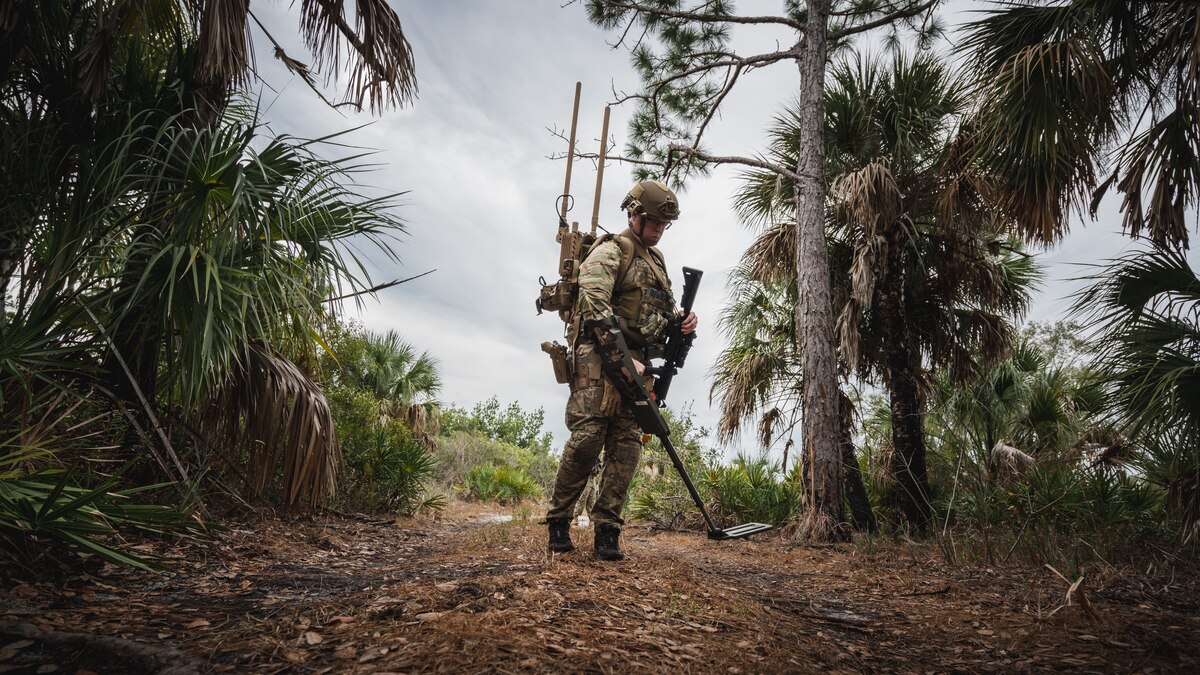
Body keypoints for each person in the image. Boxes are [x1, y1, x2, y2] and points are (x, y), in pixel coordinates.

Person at [545, 180, 698, 561]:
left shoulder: (657, 261)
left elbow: (654, 315)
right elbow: (596, 310)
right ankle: (559, 521)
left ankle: (607, 531)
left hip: (638, 364)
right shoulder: (612, 251)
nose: (659, 228)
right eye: (654, 220)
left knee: (626, 448)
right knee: (587, 442)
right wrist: (626, 360)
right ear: (635, 215)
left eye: (665, 223)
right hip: (599, 358)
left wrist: (681, 324)